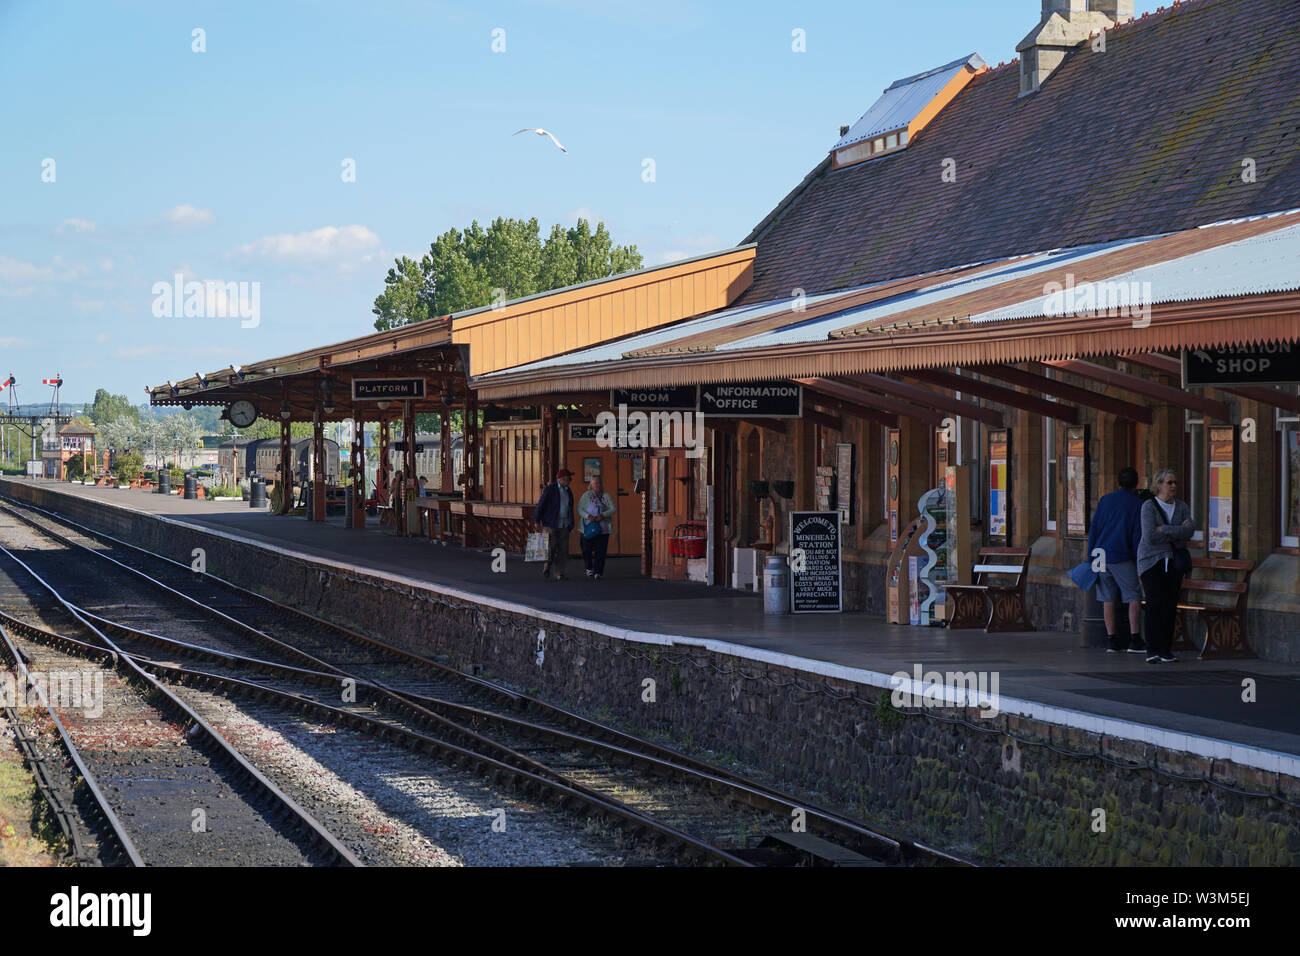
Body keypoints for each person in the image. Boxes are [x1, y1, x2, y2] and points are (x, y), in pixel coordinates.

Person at [1137, 468, 1196, 663]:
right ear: (1159, 485)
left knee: (1170, 605)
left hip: (1174, 561)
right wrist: (1177, 531)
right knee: (1155, 604)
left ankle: (1165, 650)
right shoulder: (1149, 506)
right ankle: (1152, 649)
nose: (1173, 486)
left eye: (1175, 483)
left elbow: (1189, 531)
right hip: (1151, 561)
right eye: (1169, 482)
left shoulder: (1181, 506)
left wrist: (1165, 529)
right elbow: (1150, 536)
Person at [1087, 467, 1146, 654]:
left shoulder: (1105, 500)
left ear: (1117, 482)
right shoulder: (1137, 504)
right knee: (1133, 596)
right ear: (1136, 483)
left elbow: (1094, 528)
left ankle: (1112, 640)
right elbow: (1137, 534)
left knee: (1107, 598)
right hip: (1121, 555)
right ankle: (1135, 639)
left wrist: (1090, 555)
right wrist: (1139, 560)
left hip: (1101, 554)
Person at [533, 468, 575, 580]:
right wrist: (537, 521)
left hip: (564, 524)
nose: (570, 480)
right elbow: (540, 505)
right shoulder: (550, 489)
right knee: (550, 548)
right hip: (551, 524)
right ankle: (547, 565)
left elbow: (570, 507)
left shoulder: (568, 491)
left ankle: (559, 573)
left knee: (563, 550)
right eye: (568, 478)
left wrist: (571, 523)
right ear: (561, 479)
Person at [578, 475, 617, 580]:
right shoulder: (586, 495)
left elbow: (613, 509)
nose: (598, 485)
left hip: (603, 528)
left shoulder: (606, 496)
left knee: (601, 551)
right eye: (596, 483)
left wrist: (603, 515)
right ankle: (589, 568)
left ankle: (598, 572)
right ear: (591, 485)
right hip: (588, 527)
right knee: (586, 549)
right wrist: (588, 516)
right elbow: (580, 509)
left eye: (600, 483)